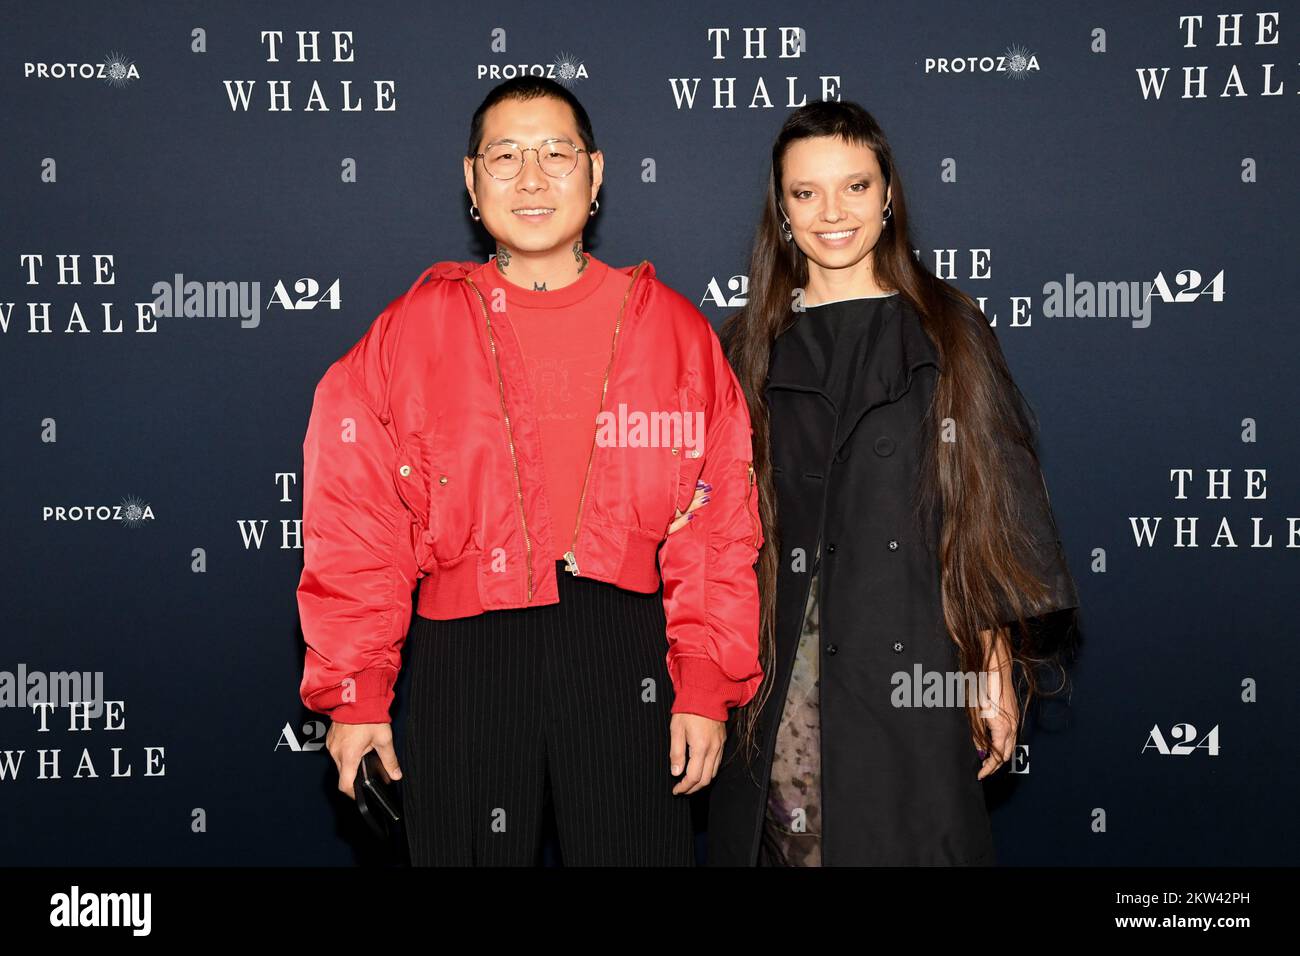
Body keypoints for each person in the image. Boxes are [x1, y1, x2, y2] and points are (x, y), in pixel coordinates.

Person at [295, 76, 764, 866]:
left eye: (557, 154)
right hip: (465, 654)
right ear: (471, 181)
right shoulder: (409, 333)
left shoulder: (675, 331)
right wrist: (356, 690)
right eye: (505, 156)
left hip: (624, 653)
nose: (533, 178)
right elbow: (357, 524)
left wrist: (704, 684)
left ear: (597, 173)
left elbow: (713, 529)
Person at [706, 100, 1081, 866]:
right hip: (783, 681)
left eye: (855, 186)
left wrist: (992, 667)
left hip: (913, 668)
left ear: (887, 197)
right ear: (781, 208)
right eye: (806, 192)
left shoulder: (949, 328)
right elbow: (714, 520)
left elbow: (988, 509)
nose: (832, 212)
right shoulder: (745, 343)